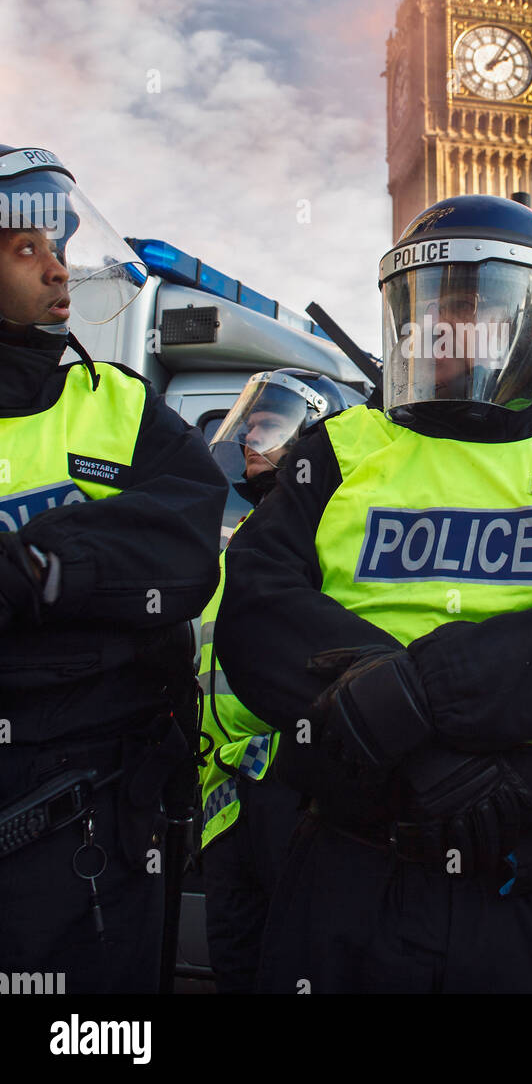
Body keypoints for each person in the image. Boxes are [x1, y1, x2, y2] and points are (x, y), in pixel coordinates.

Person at [215, 194, 532, 994]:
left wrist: (413, 694)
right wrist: (426, 757)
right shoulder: (340, 448)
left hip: (528, 884)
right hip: (344, 871)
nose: (449, 326)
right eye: (434, 305)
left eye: (478, 305)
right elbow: (259, 615)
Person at [0, 143, 227, 994]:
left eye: (60, 248)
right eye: (29, 251)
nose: (60, 272)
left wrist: (40, 569)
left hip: (94, 817)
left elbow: (182, 551)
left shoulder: (121, 405)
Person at [199, 369, 348, 993]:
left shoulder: (333, 529)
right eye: (251, 423)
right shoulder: (245, 538)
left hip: (296, 794)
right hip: (226, 801)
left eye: (269, 424)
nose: (252, 437)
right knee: (238, 968)